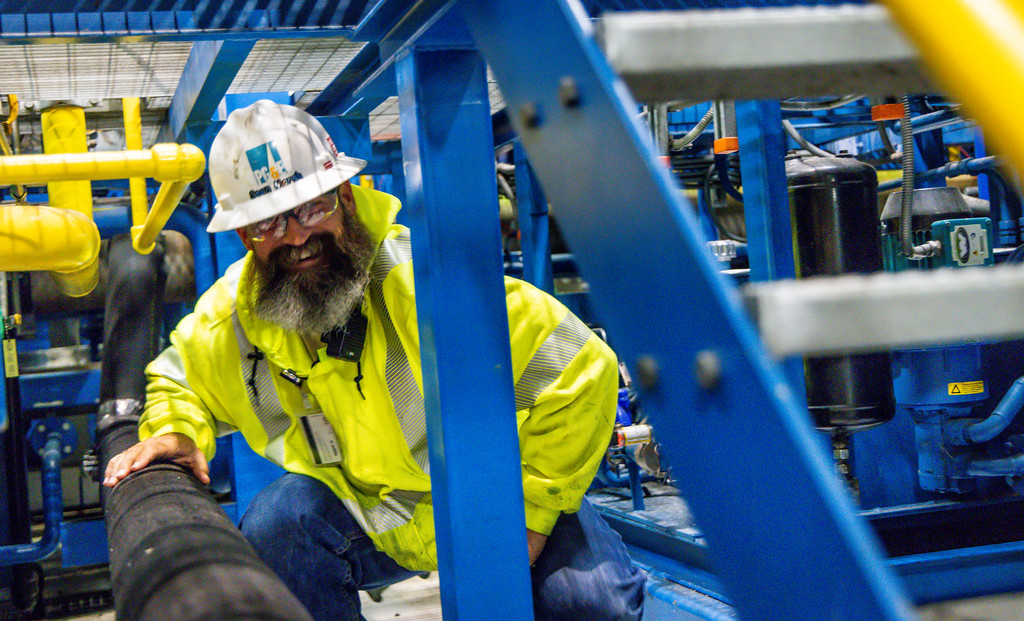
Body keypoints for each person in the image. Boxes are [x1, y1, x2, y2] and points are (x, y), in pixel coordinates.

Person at [103, 100, 645, 620]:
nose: (296, 237)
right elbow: (182, 379)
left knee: (590, 602)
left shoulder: (428, 285)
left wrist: (530, 515)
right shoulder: (236, 320)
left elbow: (581, 368)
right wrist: (177, 430)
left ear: (347, 196)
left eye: (312, 207)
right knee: (275, 529)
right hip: (374, 520)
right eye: (268, 223)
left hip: (496, 496)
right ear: (244, 235)